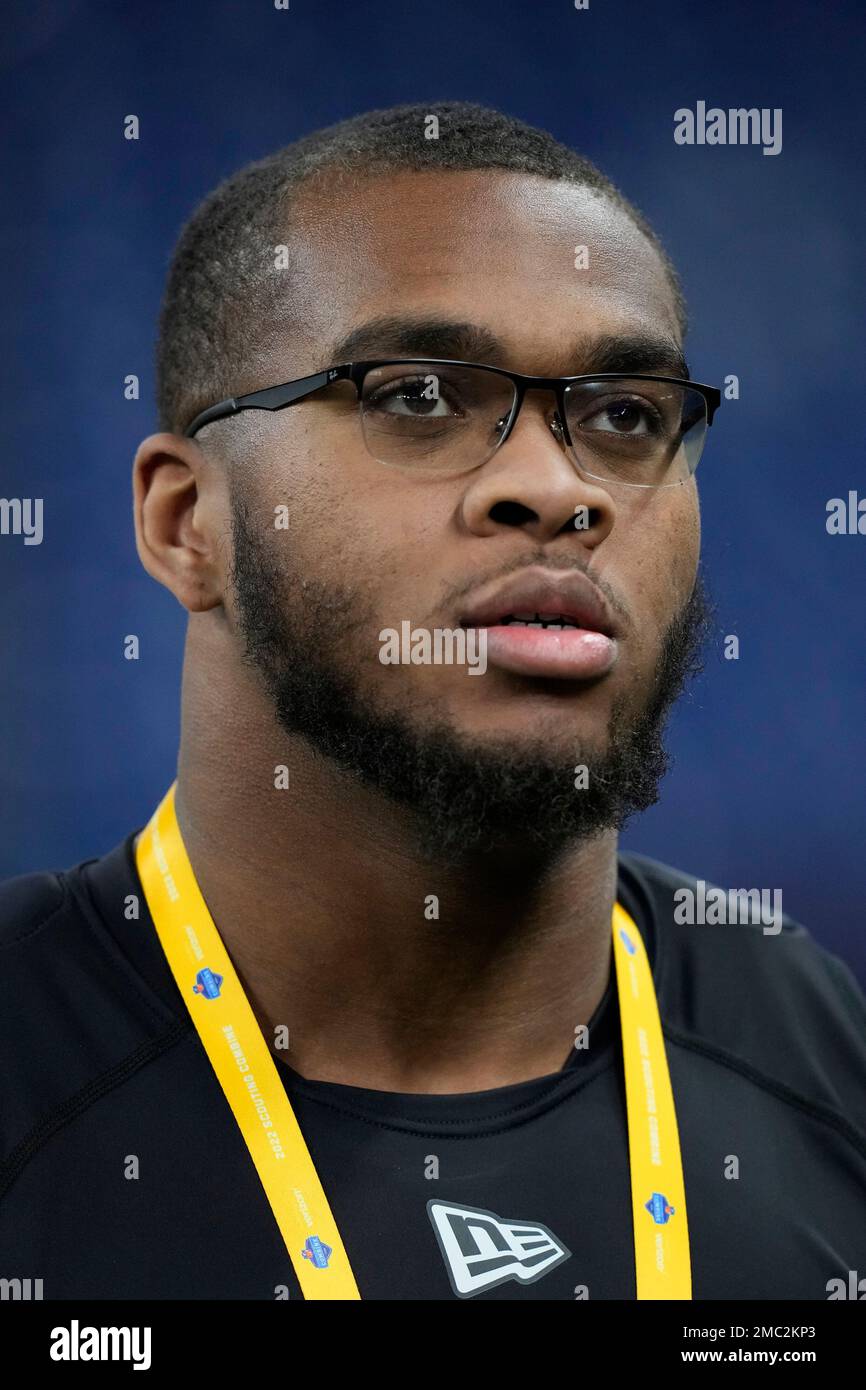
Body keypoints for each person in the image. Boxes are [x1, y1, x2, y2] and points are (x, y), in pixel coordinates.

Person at [2, 102, 864, 1302]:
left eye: (623, 416)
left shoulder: (824, 1053)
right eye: (416, 396)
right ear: (184, 523)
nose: (556, 488)